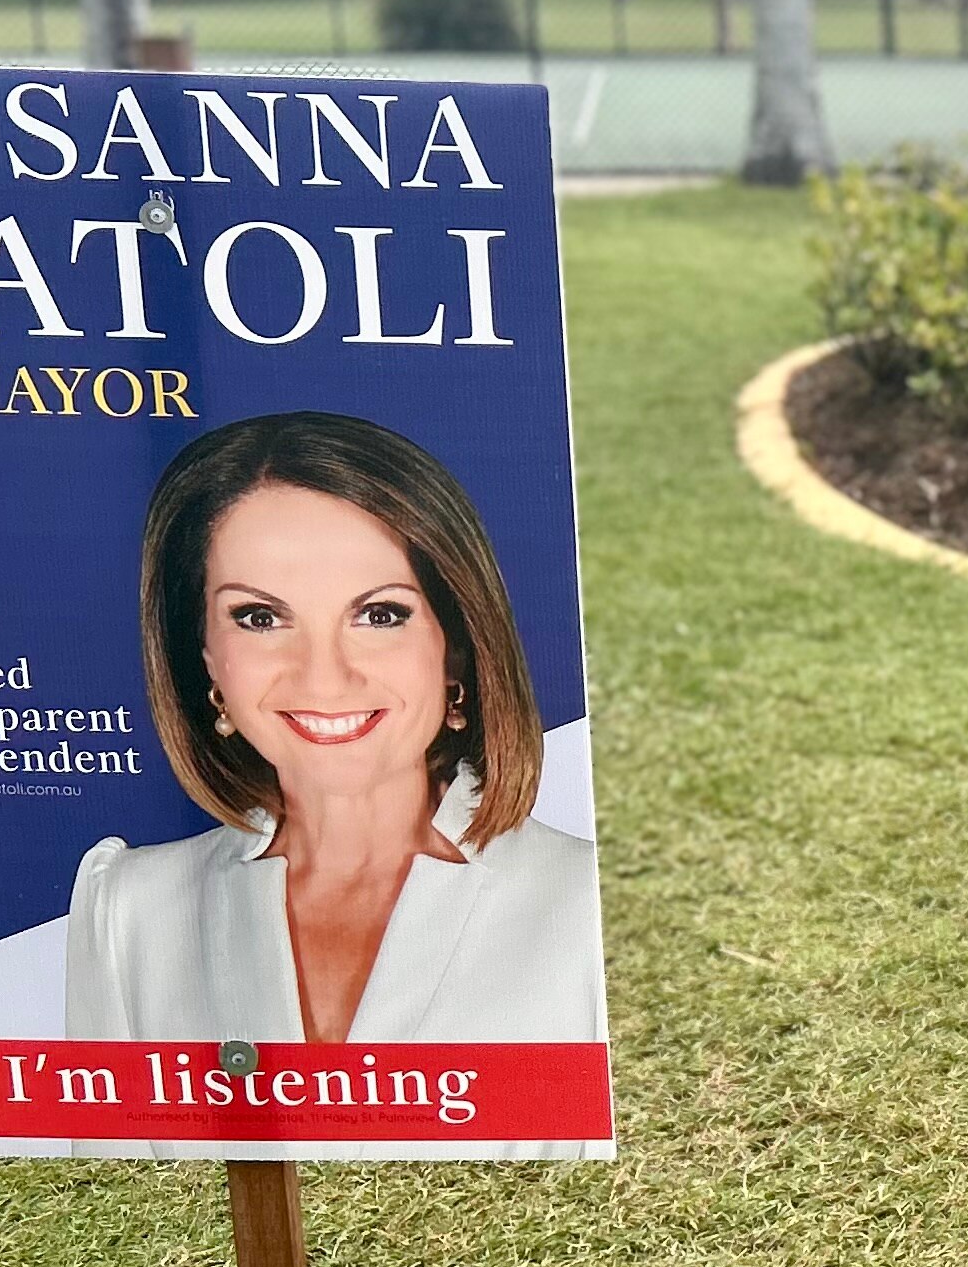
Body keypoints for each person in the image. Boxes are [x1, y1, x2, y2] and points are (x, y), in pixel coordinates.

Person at [65, 412, 603, 1045]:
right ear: (204, 654)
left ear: (455, 646)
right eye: (260, 618)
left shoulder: (588, 902)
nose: (323, 677)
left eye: (379, 614)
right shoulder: (129, 908)